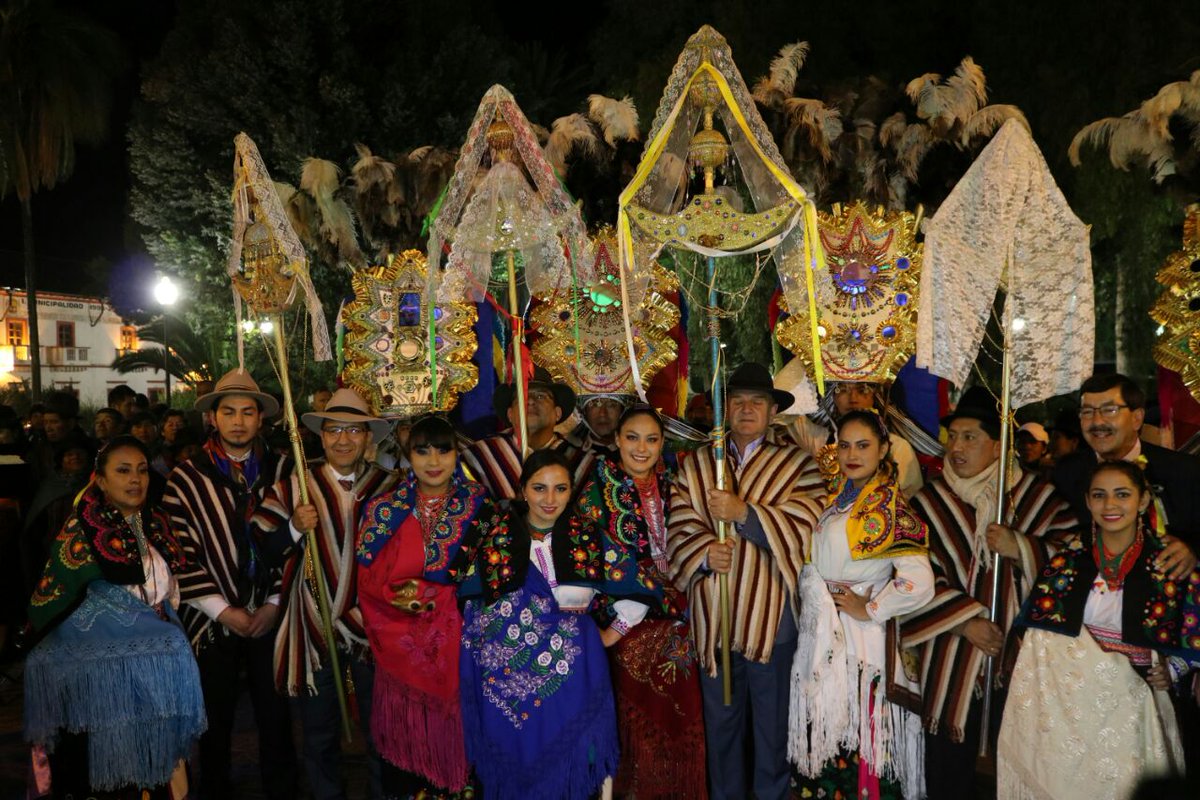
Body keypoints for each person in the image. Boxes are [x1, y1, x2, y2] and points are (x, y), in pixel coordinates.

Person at [900, 388, 1078, 799]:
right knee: (948, 772)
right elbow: (909, 575)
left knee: (1015, 768)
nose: (957, 447)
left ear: (998, 445)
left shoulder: (1037, 498)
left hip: (1018, 661)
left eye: (970, 437)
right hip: (949, 661)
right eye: (953, 437)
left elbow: (1072, 567)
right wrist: (965, 622)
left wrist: (1021, 548)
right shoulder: (927, 502)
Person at [667, 362, 824, 800]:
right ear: (725, 410)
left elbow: (809, 523)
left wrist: (745, 515)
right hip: (714, 618)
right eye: (738, 401)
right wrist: (702, 554)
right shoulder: (698, 465)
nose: (747, 409)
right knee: (721, 728)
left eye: (757, 402)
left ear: (774, 411)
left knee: (773, 729)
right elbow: (678, 523)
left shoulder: (797, 465)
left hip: (771, 622)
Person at [997, 460, 1200, 799]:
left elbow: (1193, 630)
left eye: (1122, 495)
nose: (1110, 505)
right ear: (1088, 502)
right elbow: (1037, 634)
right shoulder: (1069, 560)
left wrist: (1174, 668)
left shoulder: (1170, 558)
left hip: (1137, 702)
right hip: (1067, 709)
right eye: (1099, 495)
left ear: (1144, 500)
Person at [24, 436, 205, 799]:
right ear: (101, 480)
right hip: (100, 688)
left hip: (155, 674)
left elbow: (168, 593)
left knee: (160, 771)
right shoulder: (81, 533)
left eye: (141, 470)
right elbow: (63, 608)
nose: (135, 479)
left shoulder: (156, 526)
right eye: (122, 471)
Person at [251, 387, 396, 800]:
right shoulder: (293, 487)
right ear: (321, 436)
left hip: (376, 633)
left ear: (368, 437)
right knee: (318, 737)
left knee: (381, 732)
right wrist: (295, 527)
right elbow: (263, 550)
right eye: (334, 430)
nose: (343, 439)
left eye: (354, 430)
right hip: (314, 632)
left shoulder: (390, 487)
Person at [163, 368, 298, 800]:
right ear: (213, 418)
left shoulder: (284, 470)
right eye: (228, 412)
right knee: (214, 717)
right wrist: (223, 610)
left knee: (275, 714)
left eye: (247, 412)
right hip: (210, 617)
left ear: (261, 419)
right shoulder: (185, 477)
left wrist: (275, 601)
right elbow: (179, 549)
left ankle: (281, 790)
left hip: (273, 612)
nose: (238, 421)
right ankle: (216, 789)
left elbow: (298, 543)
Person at [788, 410, 934, 800]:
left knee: (860, 737)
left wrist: (868, 608)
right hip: (822, 633)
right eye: (846, 445)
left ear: (885, 448)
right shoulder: (835, 499)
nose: (852, 454)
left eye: (864, 445)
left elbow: (919, 583)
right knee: (825, 736)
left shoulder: (891, 509)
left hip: (860, 644)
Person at [459, 449, 619, 800]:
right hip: (511, 677)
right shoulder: (494, 541)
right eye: (539, 488)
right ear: (522, 490)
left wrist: (611, 633)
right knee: (516, 756)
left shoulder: (588, 537)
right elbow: (469, 598)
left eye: (560, 489)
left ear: (571, 491)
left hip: (573, 672)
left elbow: (636, 587)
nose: (550, 499)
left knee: (571, 762)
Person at [575, 405, 708, 800]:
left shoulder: (676, 484)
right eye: (632, 437)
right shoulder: (596, 490)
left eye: (651, 439)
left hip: (683, 612)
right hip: (624, 623)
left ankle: (680, 784)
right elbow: (591, 562)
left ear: (662, 443)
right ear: (616, 440)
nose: (641, 448)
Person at [356, 414, 490, 797]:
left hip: (464, 655)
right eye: (422, 450)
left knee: (464, 762)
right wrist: (437, 600)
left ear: (457, 452)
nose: (434, 461)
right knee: (405, 763)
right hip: (400, 654)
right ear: (406, 454)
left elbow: (492, 575)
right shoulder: (384, 509)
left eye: (443, 450)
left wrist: (446, 602)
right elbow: (370, 586)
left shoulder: (479, 504)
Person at [1052, 373, 1200, 563]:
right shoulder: (1065, 474)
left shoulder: (1183, 471)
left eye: (1110, 410)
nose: (1097, 422)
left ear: (1137, 418)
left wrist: (1192, 550)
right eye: (1087, 412)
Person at [460, 366, 581, 499]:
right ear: (510, 414)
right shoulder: (479, 457)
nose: (529, 401)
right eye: (522, 396)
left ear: (557, 413)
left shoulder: (578, 457)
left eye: (540, 396)